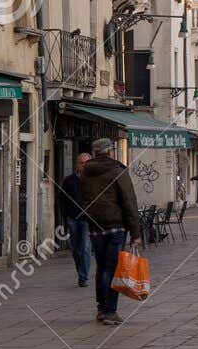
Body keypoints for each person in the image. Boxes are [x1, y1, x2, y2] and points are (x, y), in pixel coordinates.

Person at [77, 138, 141, 325]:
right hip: (116, 226)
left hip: (96, 226)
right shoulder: (117, 171)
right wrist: (135, 233)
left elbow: (84, 198)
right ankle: (110, 311)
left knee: (102, 267)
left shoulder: (85, 173)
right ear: (110, 152)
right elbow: (129, 202)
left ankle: (101, 308)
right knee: (113, 268)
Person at [58, 153, 92, 287]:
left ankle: (83, 277)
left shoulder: (94, 180)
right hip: (72, 218)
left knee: (85, 247)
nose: (84, 166)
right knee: (76, 249)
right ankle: (80, 272)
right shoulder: (69, 180)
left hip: (87, 219)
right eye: (82, 163)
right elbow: (62, 198)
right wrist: (65, 214)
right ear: (77, 164)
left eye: (87, 163)